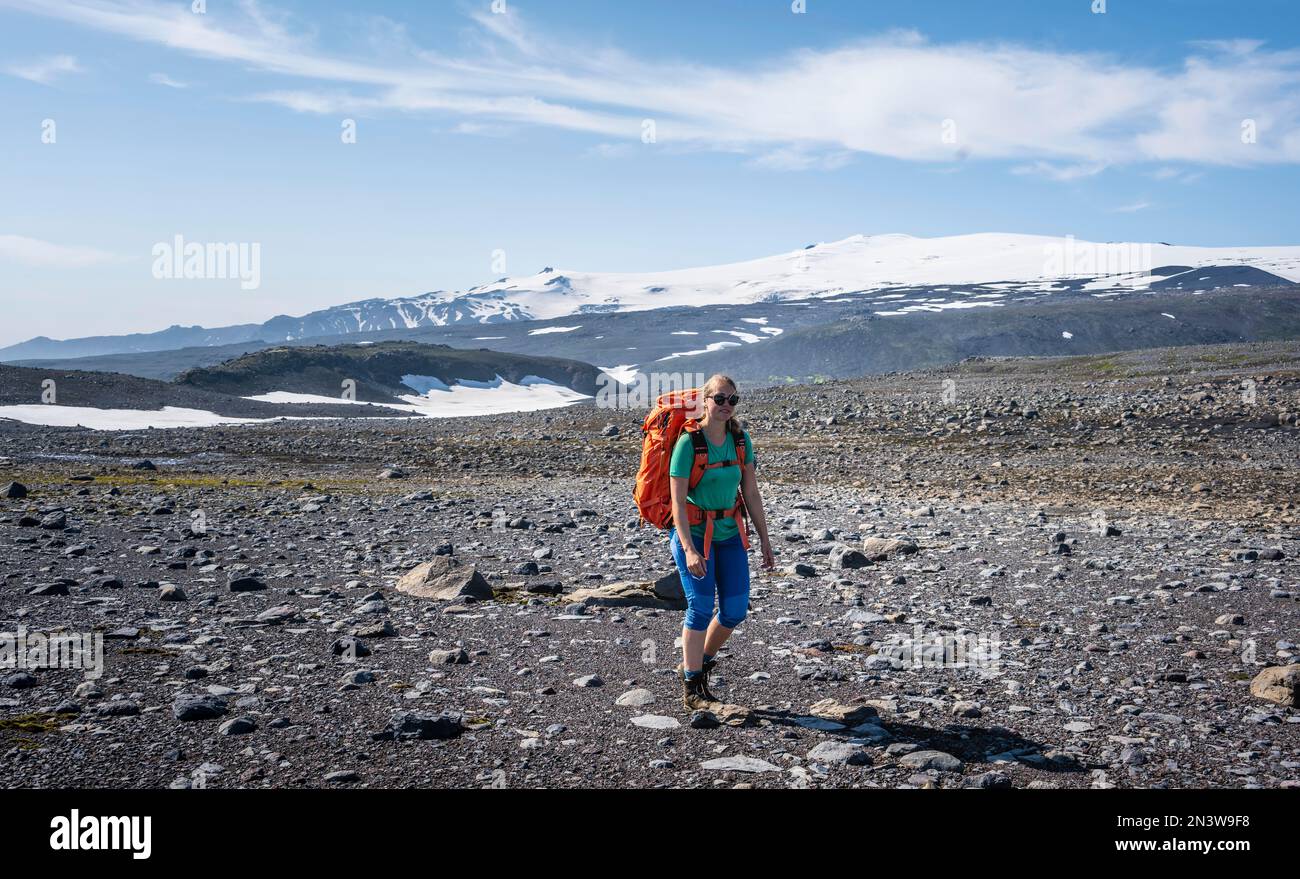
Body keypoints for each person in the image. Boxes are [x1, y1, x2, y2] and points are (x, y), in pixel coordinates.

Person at [668, 373, 774, 710]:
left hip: (730, 535)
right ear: (705, 401)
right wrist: (688, 549)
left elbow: (751, 493)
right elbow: (677, 503)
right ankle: (692, 688)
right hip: (696, 535)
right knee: (699, 608)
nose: (726, 405)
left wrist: (765, 540)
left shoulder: (740, 441)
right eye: (720, 399)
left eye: (733, 400)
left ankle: (698, 660)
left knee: (735, 610)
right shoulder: (689, 443)